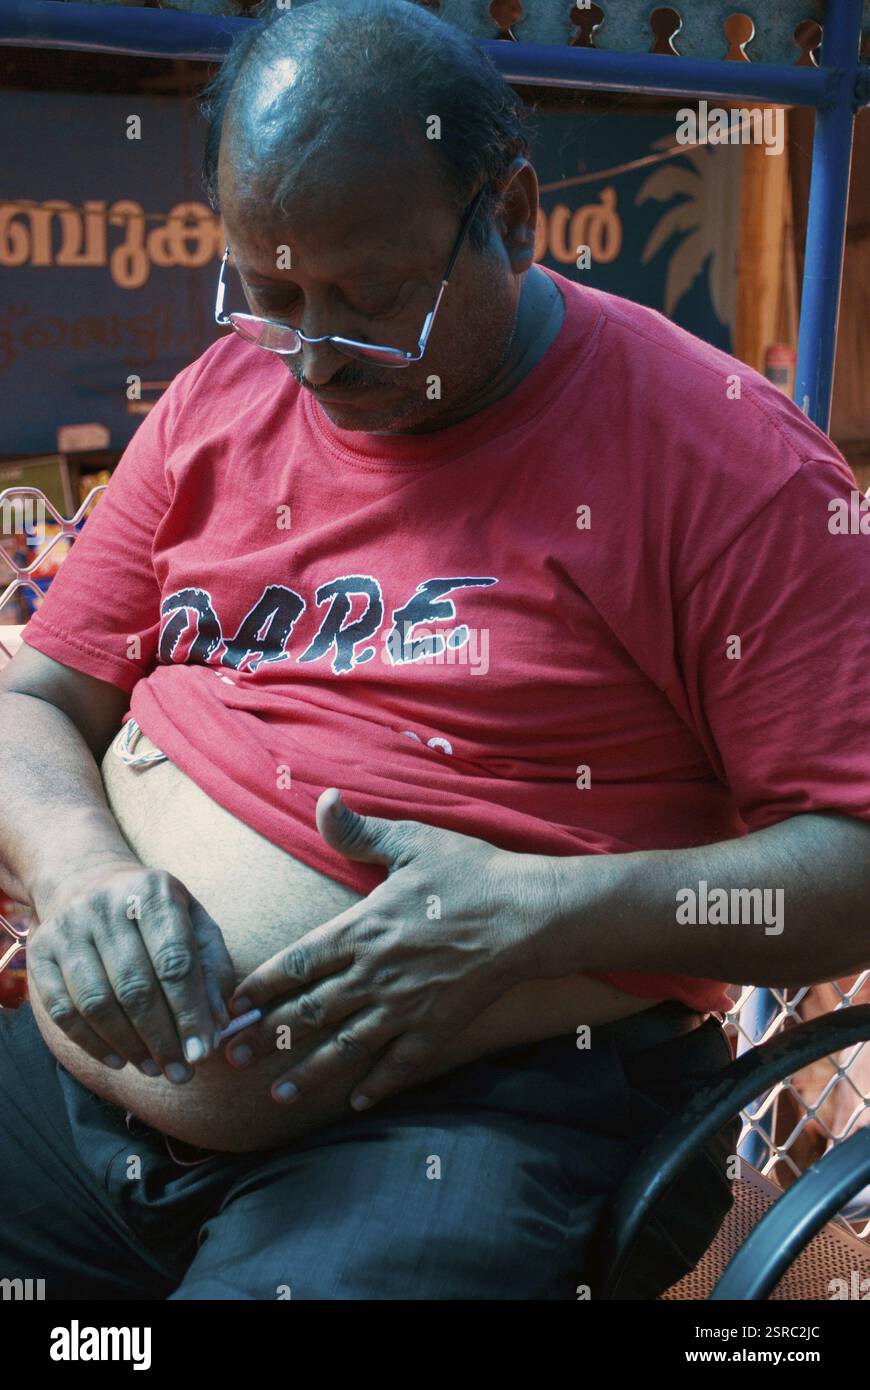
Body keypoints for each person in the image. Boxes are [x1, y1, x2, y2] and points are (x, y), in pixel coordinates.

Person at [1, 0, 869, 1301]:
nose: (310, 356)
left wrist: (547, 910)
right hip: (78, 1112)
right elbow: (34, 696)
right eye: (270, 291)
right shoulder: (220, 397)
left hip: (477, 1117)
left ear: (511, 214)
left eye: (370, 300)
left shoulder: (731, 467)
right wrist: (77, 873)